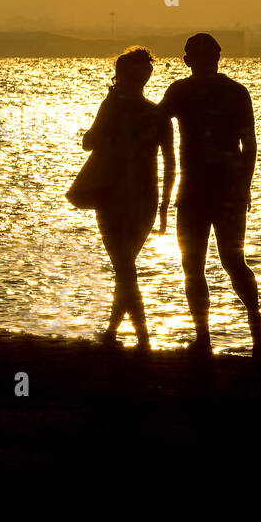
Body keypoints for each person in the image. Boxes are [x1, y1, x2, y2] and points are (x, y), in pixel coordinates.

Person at [159, 33, 261, 357]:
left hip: (208, 191)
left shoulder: (188, 91)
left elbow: (150, 122)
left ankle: (223, 334)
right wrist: (245, 185)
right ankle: (242, 332)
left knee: (209, 264)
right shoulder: (231, 92)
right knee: (224, 262)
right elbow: (249, 146)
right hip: (212, 190)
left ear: (188, 60)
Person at [81, 46, 174, 350]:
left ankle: (141, 337)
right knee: (126, 267)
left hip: (111, 195)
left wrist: (108, 104)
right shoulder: (158, 115)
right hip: (146, 199)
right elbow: (171, 165)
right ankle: (114, 332)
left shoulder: (113, 108)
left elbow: (88, 142)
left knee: (124, 268)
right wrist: (163, 208)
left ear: (122, 76)